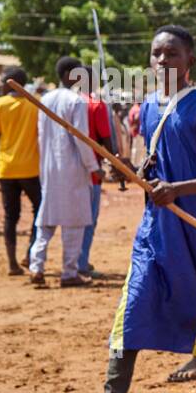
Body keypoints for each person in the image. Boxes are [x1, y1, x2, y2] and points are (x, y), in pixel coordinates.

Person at [67, 24, 196, 393]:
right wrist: (135, 171)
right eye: (157, 54)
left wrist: (178, 189)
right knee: (131, 311)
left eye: (172, 54)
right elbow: (157, 160)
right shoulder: (148, 106)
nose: (163, 61)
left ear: (189, 62)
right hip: (156, 232)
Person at [29, 57, 100, 287]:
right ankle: (69, 273)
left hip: (49, 168)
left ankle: (36, 266)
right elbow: (82, 140)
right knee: (75, 222)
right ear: (70, 74)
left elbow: (41, 137)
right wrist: (93, 168)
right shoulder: (76, 101)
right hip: (72, 168)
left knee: (46, 220)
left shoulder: (45, 99)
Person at [0, 66, 41, 272]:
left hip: (6, 169)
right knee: (40, 211)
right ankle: (30, 253)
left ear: (11, 82)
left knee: (11, 216)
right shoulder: (35, 104)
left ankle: (12, 263)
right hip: (30, 169)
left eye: (2, 81)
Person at [77, 67, 116, 277]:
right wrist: (115, 161)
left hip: (66, 171)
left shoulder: (67, 103)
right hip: (91, 172)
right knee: (88, 219)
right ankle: (80, 262)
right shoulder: (95, 105)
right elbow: (105, 138)